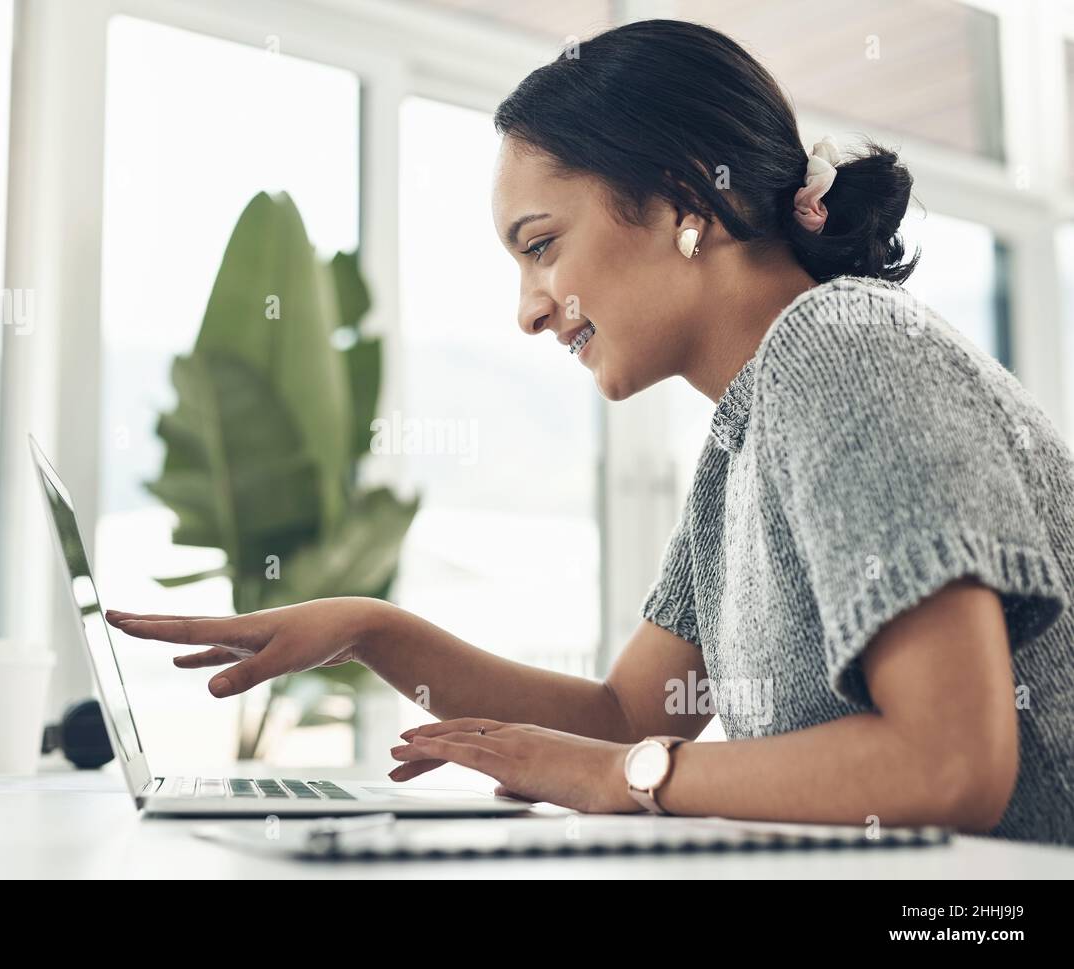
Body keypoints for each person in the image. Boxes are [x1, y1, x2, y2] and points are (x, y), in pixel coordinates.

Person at [108, 20, 1074, 846]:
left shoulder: (846, 349)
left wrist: (625, 777)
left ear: (684, 201)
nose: (529, 311)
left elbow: (949, 762)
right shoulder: (746, 437)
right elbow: (623, 716)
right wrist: (373, 630)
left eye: (541, 246)